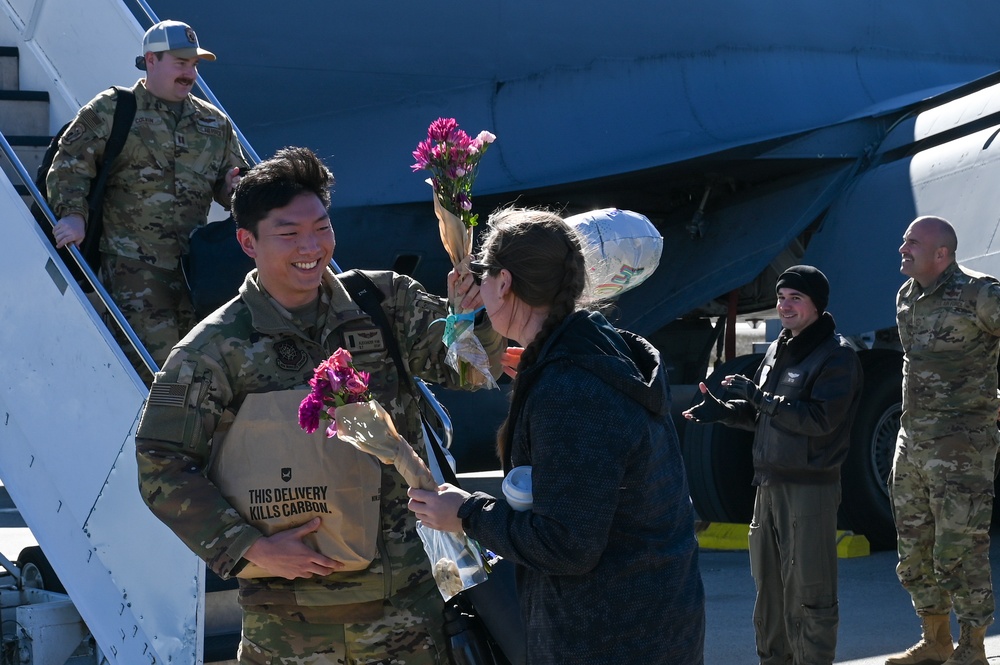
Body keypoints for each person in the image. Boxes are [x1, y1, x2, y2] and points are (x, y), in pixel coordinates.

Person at [134, 146, 504, 664]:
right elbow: (160, 464)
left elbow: (467, 371)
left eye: (322, 227)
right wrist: (249, 547)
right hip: (292, 633)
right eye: (288, 233)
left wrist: (474, 317)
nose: (311, 246)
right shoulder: (213, 350)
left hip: (414, 617)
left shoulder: (384, 304)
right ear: (248, 241)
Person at [408, 208, 705, 665]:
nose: (479, 286)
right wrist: (538, 367)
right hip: (653, 625)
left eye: (484, 274)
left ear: (504, 283)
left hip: (606, 639)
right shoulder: (600, 352)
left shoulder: (569, 389)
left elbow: (566, 543)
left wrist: (466, 513)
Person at [682, 265, 863, 665]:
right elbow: (769, 417)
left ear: (817, 304)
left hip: (808, 490)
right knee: (770, 595)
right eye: (781, 298)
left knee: (810, 594)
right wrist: (728, 413)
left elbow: (820, 421)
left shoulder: (837, 356)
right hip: (768, 487)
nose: (784, 306)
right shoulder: (780, 347)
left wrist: (761, 399)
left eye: (795, 298)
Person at [46, 19, 248, 367]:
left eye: (194, 65)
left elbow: (231, 183)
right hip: (131, 267)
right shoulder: (114, 109)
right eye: (181, 63)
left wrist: (235, 189)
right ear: (151, 60)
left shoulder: (214, 123)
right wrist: (74, 214)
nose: (190, 73)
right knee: (157, 364)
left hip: (193, 268)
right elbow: (70, 163)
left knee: (199, 362)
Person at [885, 215, 1000, 665]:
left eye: (912, 241)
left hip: (962, 446)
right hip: (913, 442)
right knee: (913, 548)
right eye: (904, 238)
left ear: (942, 254)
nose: (902, 247)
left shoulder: (980, 294)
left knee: (960, 546)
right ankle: (935, 640)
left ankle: (972, 647)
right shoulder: (906, 296)